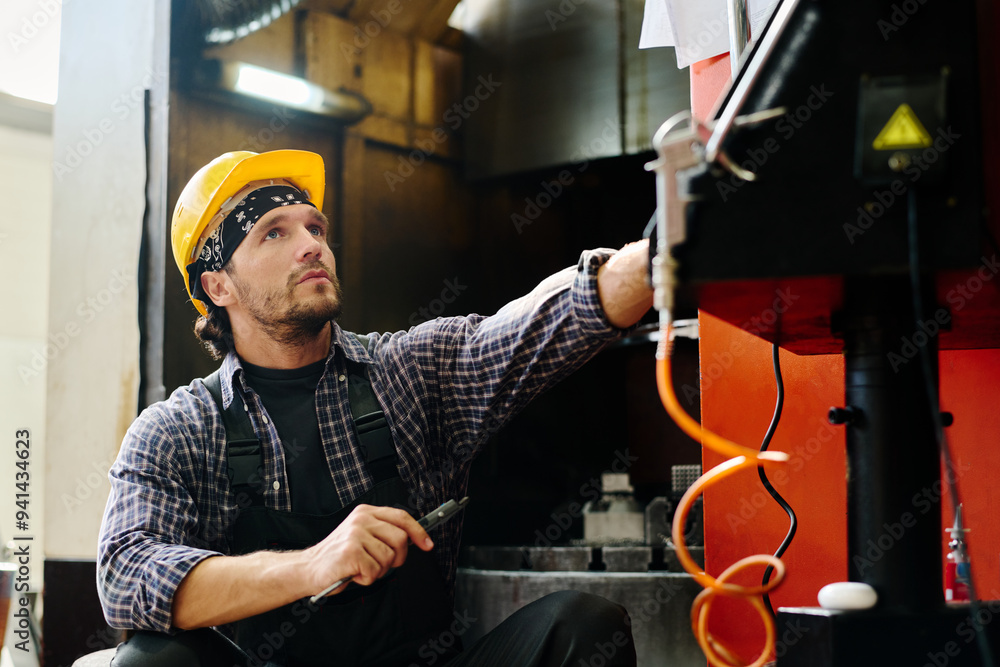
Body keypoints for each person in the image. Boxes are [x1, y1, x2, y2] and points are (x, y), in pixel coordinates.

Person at [97, 149, 654, 667]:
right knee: (152, 660)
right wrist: (314, 563)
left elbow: (541, 323)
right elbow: (125, 577)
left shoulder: (412, 373)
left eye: (315, 227)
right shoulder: (178, 431)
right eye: (274, 233)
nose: (312, 244)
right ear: (219, 286)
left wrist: (658, 259)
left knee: (582, 626)